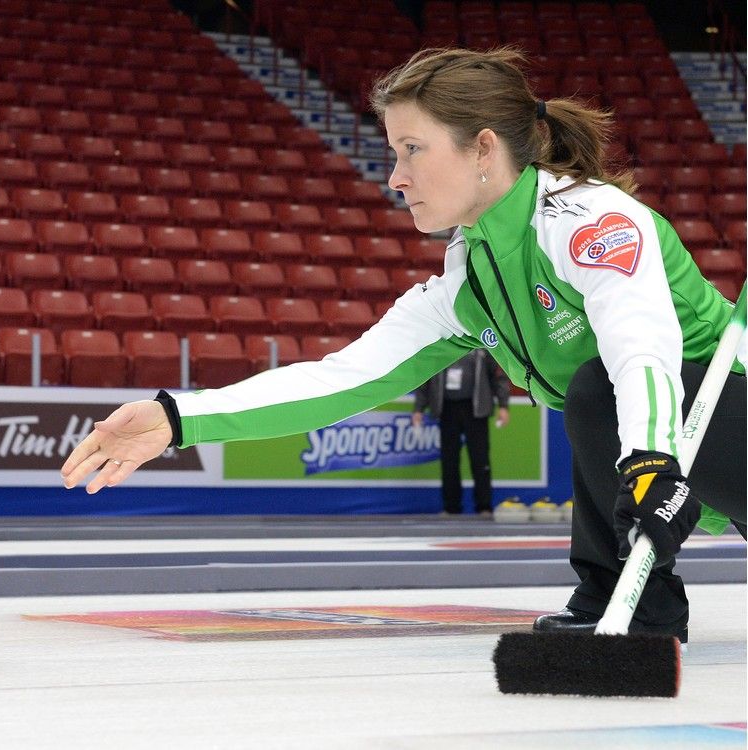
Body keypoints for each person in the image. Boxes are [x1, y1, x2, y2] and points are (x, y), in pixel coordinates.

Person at [62, 47, 746, 644]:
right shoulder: (467, 279)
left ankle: (631, 592)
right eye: (394, 153)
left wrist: (652, 462)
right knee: (590, 397)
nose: (396, 176)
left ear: (482, 148)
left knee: (598, 387)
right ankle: (625, 600)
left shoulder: (591, 221)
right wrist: (181, 417)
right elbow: (345, 377)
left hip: (721, 416)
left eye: (412, 150)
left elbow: (642, 352)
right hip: (669, 446)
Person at [412, 349, 510, 516]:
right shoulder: (440, 347)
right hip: (447, 408)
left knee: (480, 459)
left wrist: (503, 405)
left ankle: (484, 506)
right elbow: (426, 378)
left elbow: (498, 376)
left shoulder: (482, 348)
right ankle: (451, 506)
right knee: (449, 460)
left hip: (475, 409)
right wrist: (418, 408)